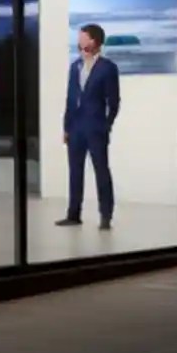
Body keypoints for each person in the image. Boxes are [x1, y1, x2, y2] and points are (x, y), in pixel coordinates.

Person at [60, 23, 120, 230]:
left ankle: (106, 215)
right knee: (75, 171)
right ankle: (73, 213)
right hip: (76, 127)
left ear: (94, 41)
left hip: (95, 127)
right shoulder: (75, 66)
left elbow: (114, 101)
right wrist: (66, 127)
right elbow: (70, 99)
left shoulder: (107, 67)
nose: (79, 40)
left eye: (83, 37)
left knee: (101, 170)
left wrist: (106, 124)